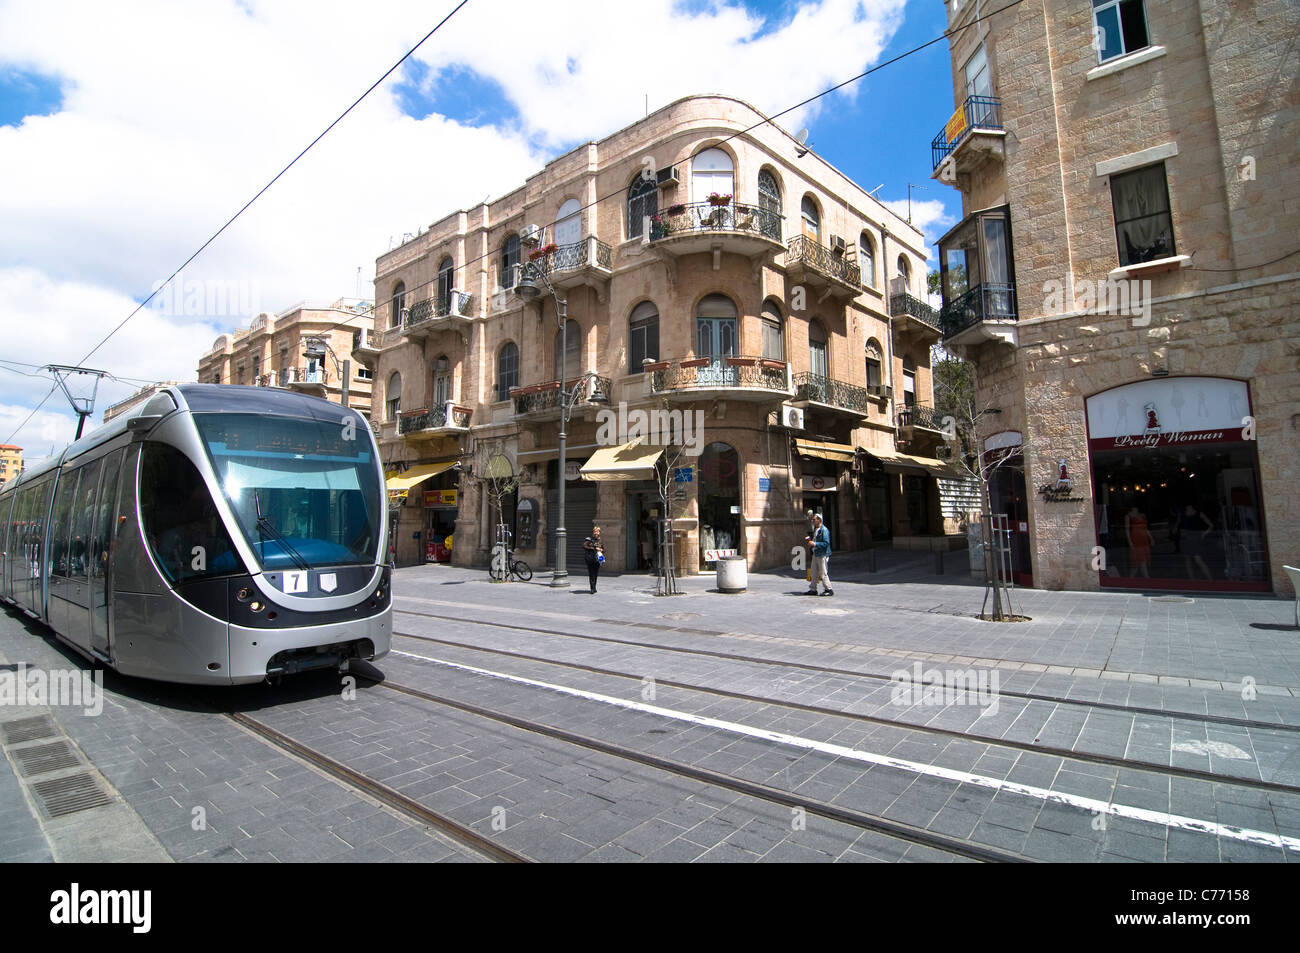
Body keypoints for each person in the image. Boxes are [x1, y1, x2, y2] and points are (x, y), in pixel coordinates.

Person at [1181, 503, 1215, 579]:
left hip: (1196, 539)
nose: (1188, 509)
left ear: (1193, 508)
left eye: (1189, 508)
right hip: (1187, 539)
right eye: (1187, 508)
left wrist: (1204, 534)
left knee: (1198, 559)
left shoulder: (1199, 514)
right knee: (1188, 561)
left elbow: (1211, 525)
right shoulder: (1184, 514)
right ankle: (1192, 580)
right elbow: (1183, 526)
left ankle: (1210, 579)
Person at [805, 513, 833, 596]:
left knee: (823, 572)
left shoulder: (824, 530)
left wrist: (815, 544)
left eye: (814, 519)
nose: (812, 521)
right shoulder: (816, 529)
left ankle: (829, 589)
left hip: (822, 554)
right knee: (813, 572)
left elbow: (826, 543)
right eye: (812, 519)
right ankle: (813, 589)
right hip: (816, 553)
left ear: (819, 520)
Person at [1124, 505, 1150, 578]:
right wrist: (1130, 542)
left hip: (1144, 539)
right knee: (1138, 560)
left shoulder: (1142, 515)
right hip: (1136, 539)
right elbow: (1127, 529)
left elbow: (1145, 527)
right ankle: (1146, 578)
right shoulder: (1128, 516)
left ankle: (1132, 579)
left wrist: (1151, 538)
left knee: (1140, 561)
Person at [583, 525, 604, 593]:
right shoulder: (589, 539)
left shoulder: (600, 540)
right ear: (593, 532)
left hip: (597, 559)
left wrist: (601, 549)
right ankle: (592, 588)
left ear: (599, 532)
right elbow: (584, 546)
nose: (596, 533)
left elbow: (604, 549)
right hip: (590, 559)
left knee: (595, 574)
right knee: (591, 574)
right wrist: (594, 548)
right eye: (595, 531)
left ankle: (594, 587)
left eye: (597, 531)